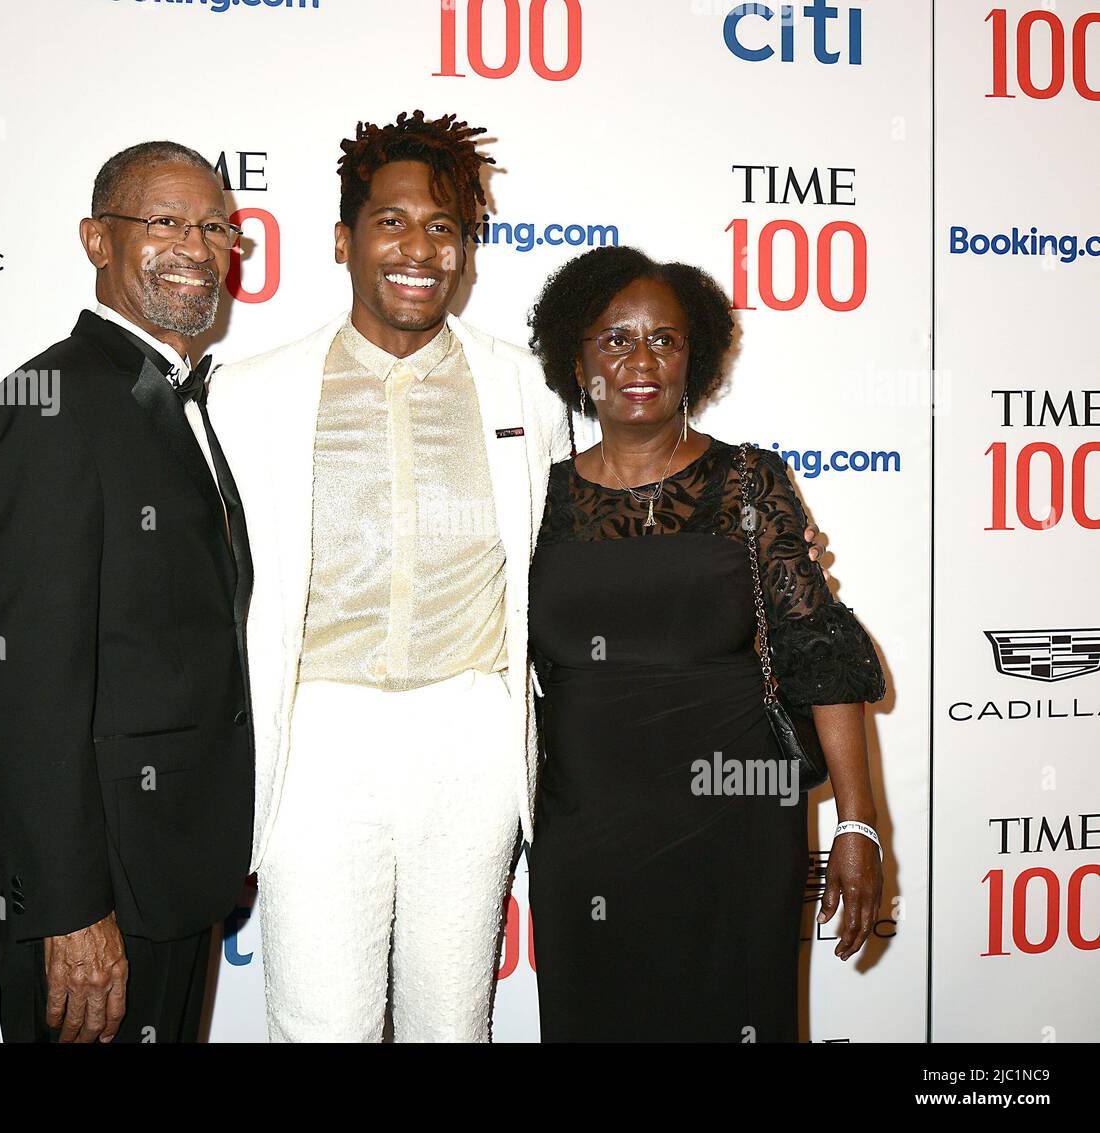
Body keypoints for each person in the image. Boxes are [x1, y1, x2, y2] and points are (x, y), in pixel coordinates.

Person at [209, 112, 826, 1042]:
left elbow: (631, 500)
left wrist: (776, 546)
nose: (420, 249)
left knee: (454, 1023)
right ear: (343, 240)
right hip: (317, 735)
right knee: (319, 1024)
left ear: (467, 248)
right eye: (391, 222)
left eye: (446, 228)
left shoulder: (531, 389)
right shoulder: (247, 392)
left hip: (473, 735)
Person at [525, 245, 885, 1042]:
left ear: (697, 357)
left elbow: (815, 651)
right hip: (584, 826)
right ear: (575, 359)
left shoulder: (749, 481)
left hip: (736, 815)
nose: (641, 359)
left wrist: (858, 823)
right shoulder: (535, 495)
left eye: (666, 338)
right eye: (615, 339)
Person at [0, 141, 254, 1043]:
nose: (196, 248)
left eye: (215, 227)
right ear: (97, 240)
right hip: (97, 897)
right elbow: (24, 680)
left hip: (171, 874)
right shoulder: (48, 401)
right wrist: (69, 910)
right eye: (163, 222)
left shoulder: (178, 399)